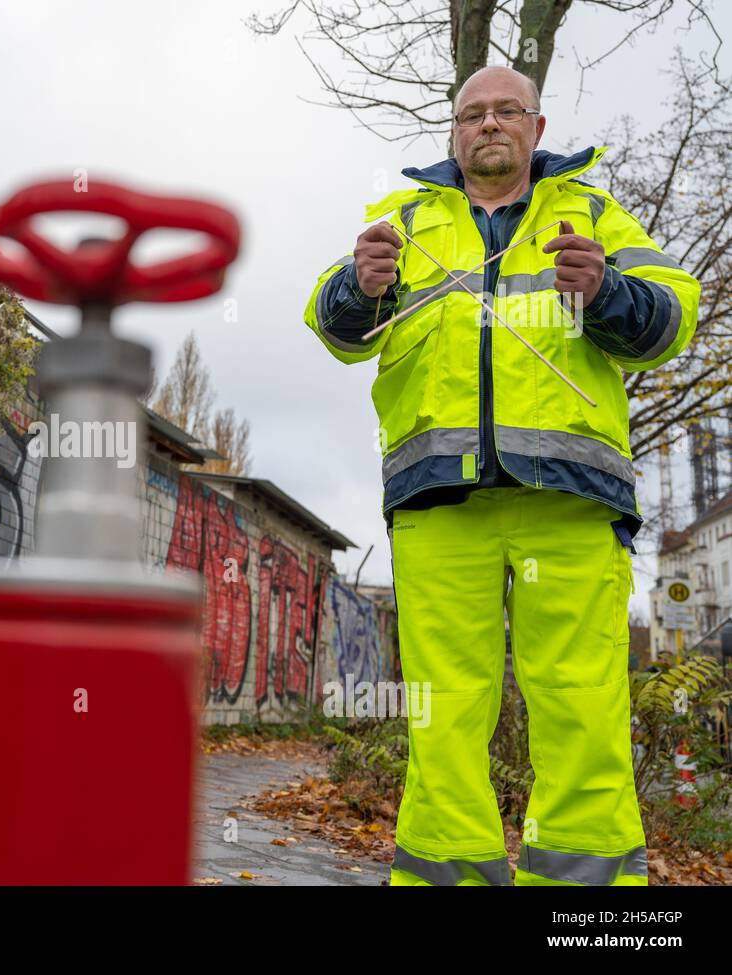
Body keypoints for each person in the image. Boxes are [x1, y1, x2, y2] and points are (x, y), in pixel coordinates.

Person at [303, 65, 701, 885]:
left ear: (536, 126)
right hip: (438, 499)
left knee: (583, 710)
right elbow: (335, 326)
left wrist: (609, 290)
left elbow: (674, 313)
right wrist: (358, 284)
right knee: (442, 718)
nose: (487, 124)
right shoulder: (404, 220)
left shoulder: (590, 212)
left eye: (504, 112)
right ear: (455, 132)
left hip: (572, 501)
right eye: (471, 114)